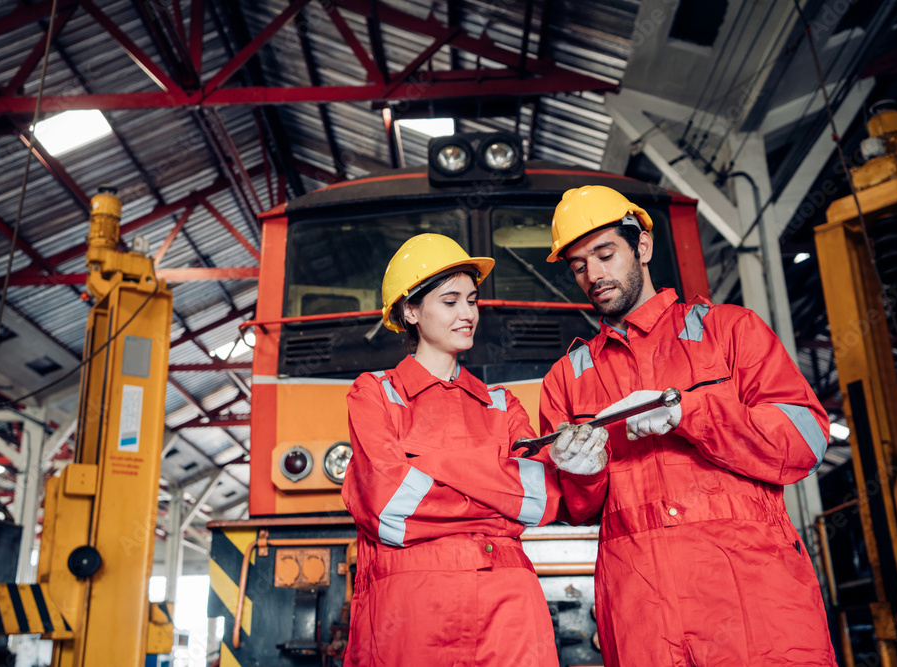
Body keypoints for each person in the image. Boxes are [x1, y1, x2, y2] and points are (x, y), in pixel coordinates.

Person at [539, 186, 838, 666]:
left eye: (605, 253)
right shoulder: (567, 379)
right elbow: (575, 508)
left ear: (643, 247)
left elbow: (805, 441)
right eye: (577, 266)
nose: (593, 275)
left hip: (756, 605)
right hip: (645, 615)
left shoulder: (731, 331)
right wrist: (582, 474)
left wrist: (691, 414)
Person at [341, 233, 597, 666]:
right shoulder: (374, 394)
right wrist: (497, 489)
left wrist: (431, 468)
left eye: (472, 301)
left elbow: (540, 499)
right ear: (411, 311)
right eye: (451, 301)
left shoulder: (501, 402)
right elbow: (390, 508)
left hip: (510, 605)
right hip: (413, 609)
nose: (468, 314)